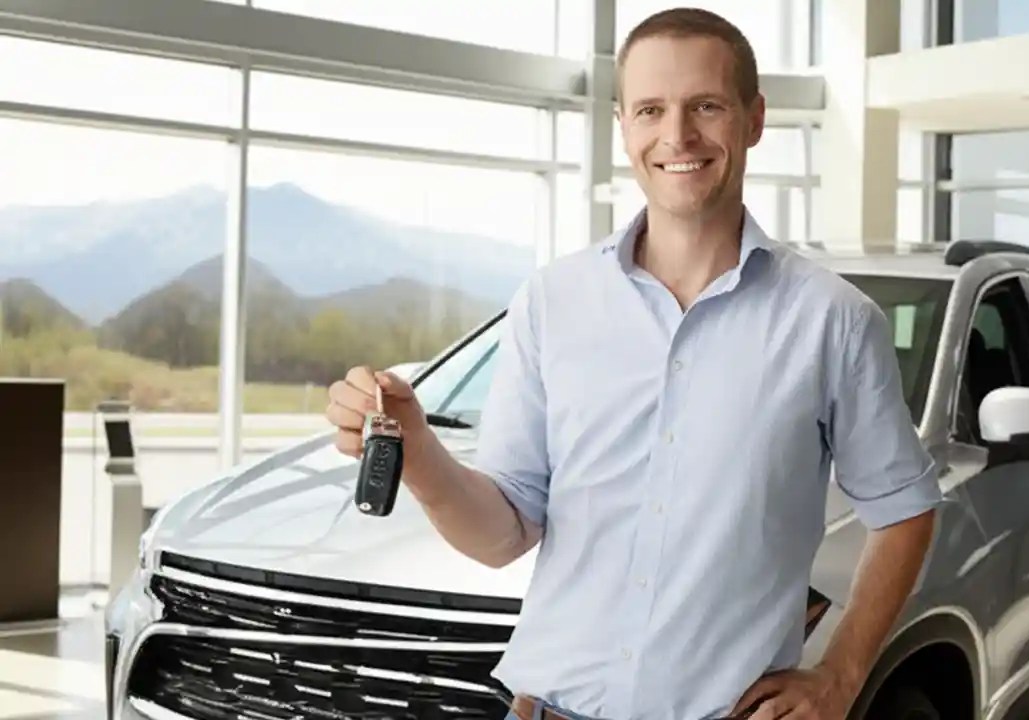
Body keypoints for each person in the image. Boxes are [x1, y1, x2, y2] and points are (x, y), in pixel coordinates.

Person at [326, 8, 941, 720]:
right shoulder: (551, 302)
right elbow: (501, 536)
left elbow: (906, 509)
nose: (677, 136)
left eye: (705, 106)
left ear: (754, 118)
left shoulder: (832, 320)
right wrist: (419, 447)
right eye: (651, 109)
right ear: (623, 125)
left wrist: (842, 673)